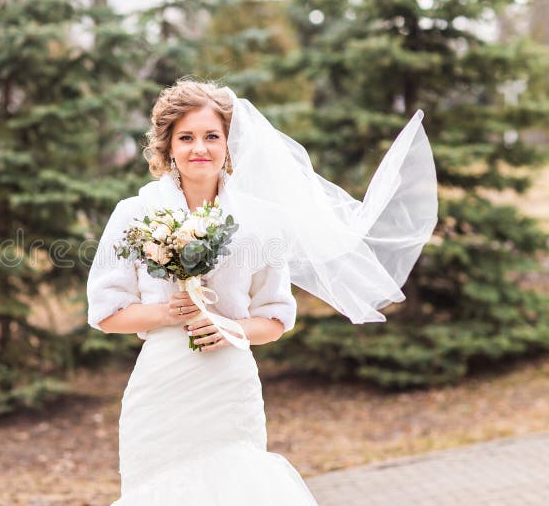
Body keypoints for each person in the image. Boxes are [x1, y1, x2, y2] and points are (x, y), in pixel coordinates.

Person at [87, 78, 436, 504]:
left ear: (230, 143)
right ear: (168, 146)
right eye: (187, 137)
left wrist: (229, 327)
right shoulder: (135, 213)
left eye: (212, 136)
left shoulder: (262, 221)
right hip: (161, 388)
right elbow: (105, 313)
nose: (200, 148)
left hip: (228, 387)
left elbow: (275, 319)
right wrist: (169, 314)